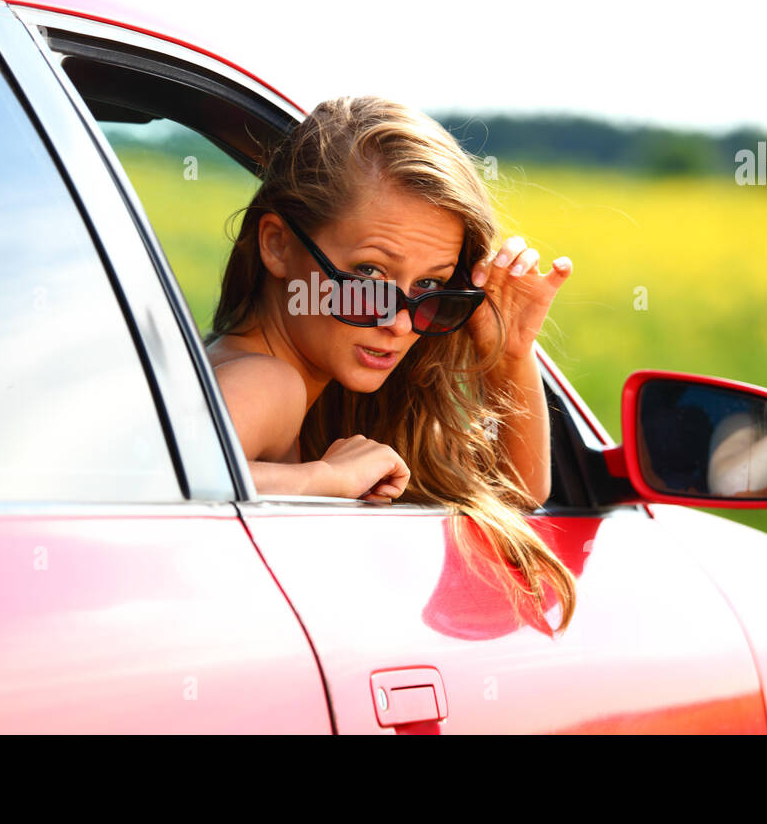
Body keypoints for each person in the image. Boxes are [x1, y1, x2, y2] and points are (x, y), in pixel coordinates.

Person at [203, 95, 577, 633]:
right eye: (369, 276)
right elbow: (150, 486)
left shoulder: (302, 379)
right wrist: (326, 478)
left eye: (430, 287)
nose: (400, 324)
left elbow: (522, 491)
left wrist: (512, 353)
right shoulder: (267, 381)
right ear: (278, 245)